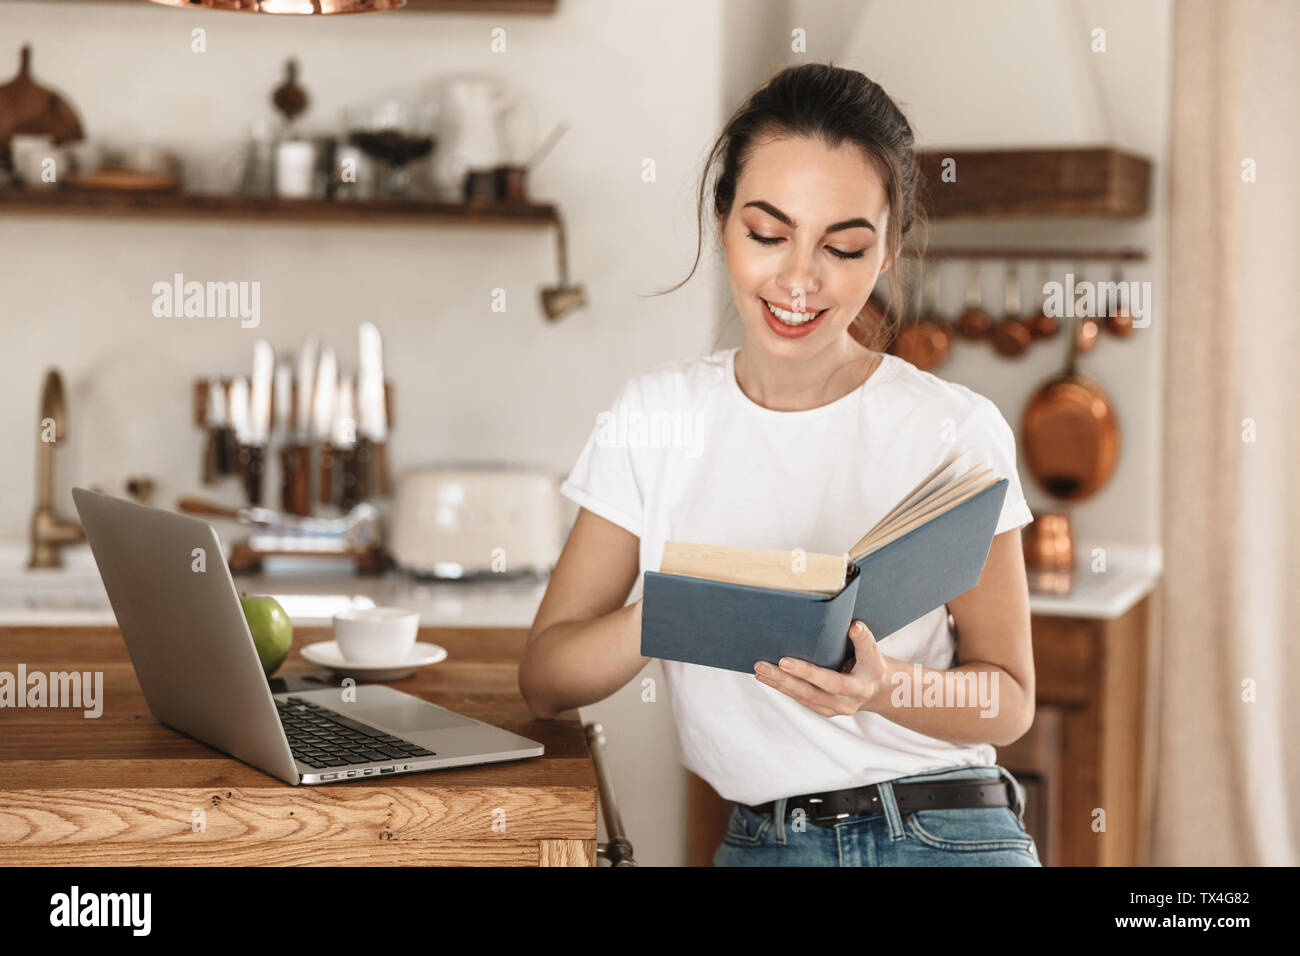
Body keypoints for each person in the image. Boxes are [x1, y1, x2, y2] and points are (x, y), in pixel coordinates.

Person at [519, 62, 1041, 867]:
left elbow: (1006, 700)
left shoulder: (950, 429)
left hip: (941, 833)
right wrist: (673, 610)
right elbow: (547, 677)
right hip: (760, 842)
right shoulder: (656, 417)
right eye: (769, 235)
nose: (800, 280)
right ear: (723, 217)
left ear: (889, 250)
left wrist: (884, 688)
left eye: (844, 246)